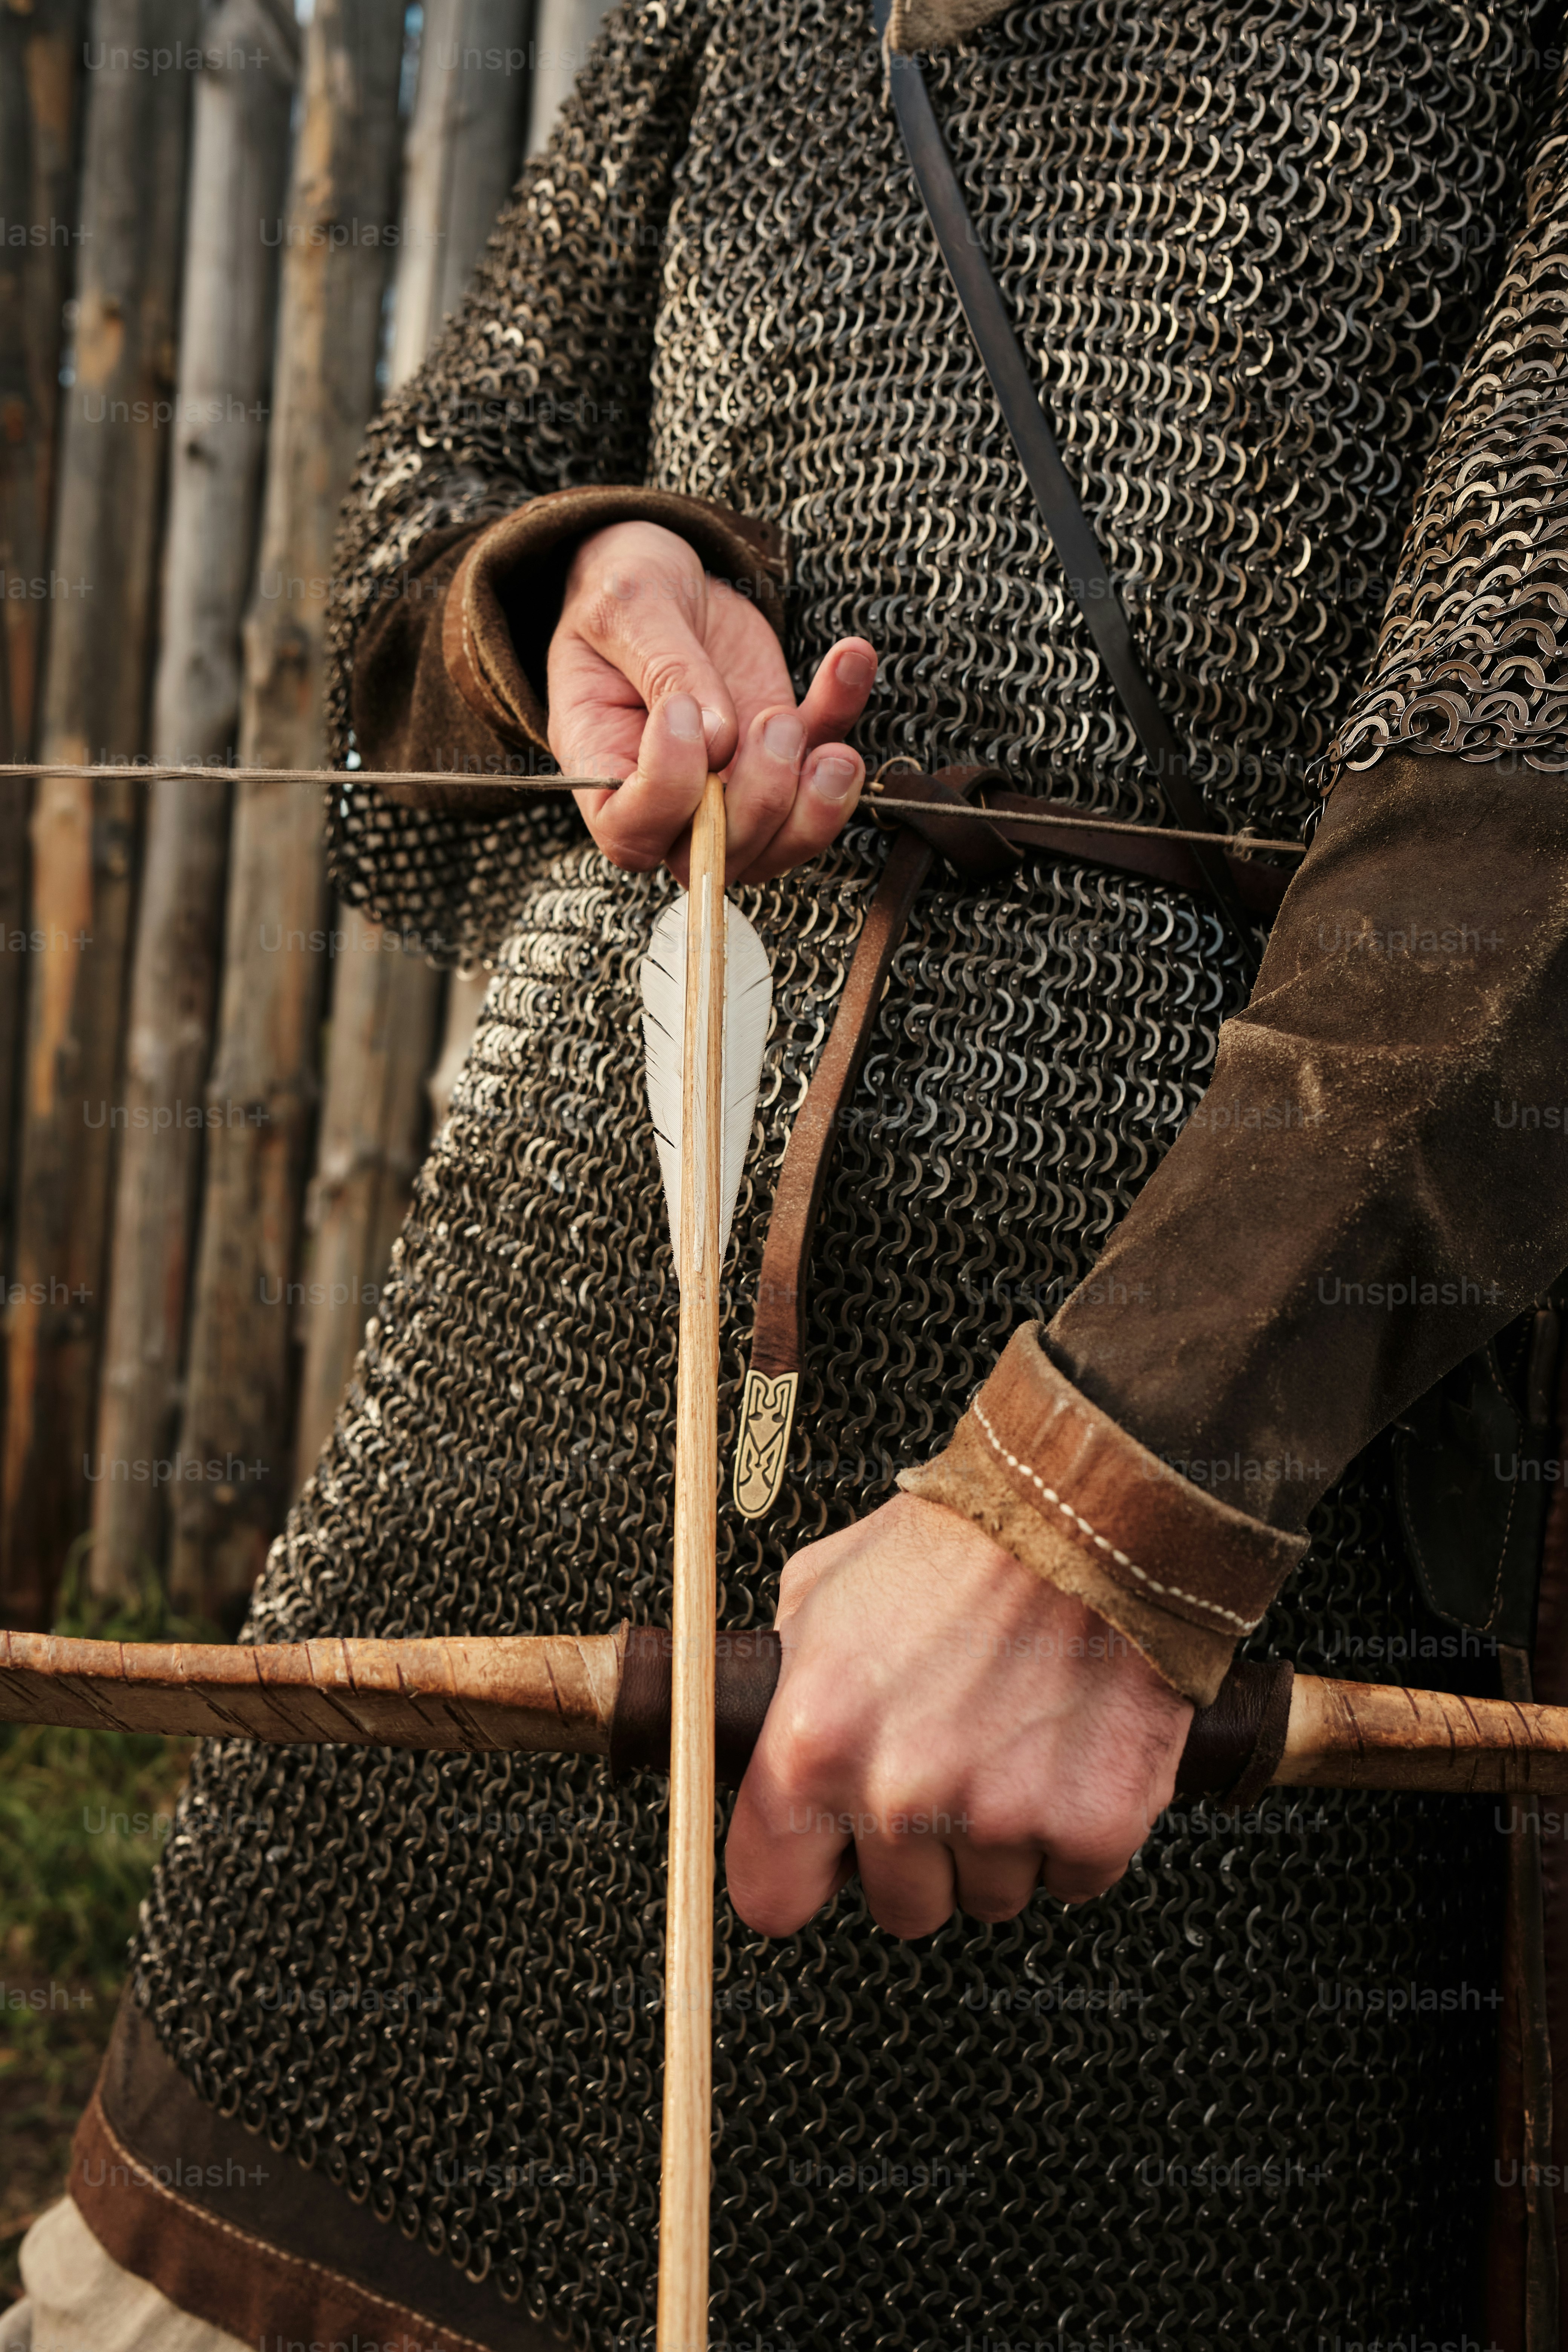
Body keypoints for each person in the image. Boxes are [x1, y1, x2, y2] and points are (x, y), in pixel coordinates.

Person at [15, 1, 1568, 2346]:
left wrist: (1106, 1511)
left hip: (1181, 1586)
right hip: (528, 1379)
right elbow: (434, 510)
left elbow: (1522, 795)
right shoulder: (724, 18)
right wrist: (587, 584)